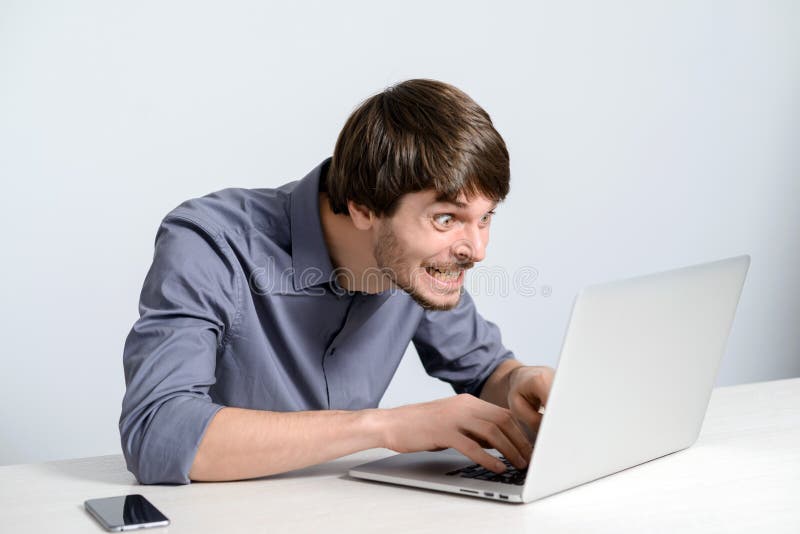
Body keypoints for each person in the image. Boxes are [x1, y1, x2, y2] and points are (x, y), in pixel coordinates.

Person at [119, 79, 554, 485]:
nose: (477, 250)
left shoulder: (422, 265)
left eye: (486, 218)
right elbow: (157, 432)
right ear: (363, 207)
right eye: (447, 218)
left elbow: (484, 372)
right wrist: (386, 427)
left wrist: (517, 380)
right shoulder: (212, 243)